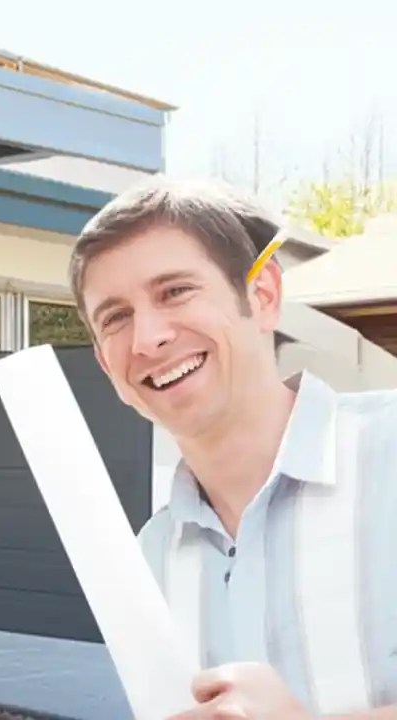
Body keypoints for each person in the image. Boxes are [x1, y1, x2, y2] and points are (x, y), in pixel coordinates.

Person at [67, 177, 397, 719]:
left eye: (175, 291)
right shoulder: (150, 560)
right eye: (116, 318)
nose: (147, 338)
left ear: (262, 296)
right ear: (107, 365)